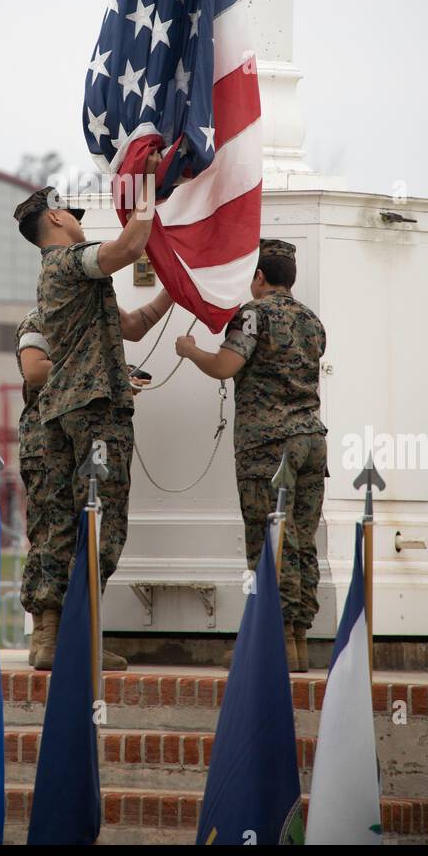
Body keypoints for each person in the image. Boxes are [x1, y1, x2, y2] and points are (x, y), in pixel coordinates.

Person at [13, 154, 172, 670]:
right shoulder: (66, 261)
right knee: (102, 520)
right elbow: (129, 246)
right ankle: (73, 639)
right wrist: (147, 185)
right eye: (74, 213)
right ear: (57, 217)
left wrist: (177, 289)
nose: (80, 220)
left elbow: (132, 327)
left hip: (70, 412)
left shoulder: (66, 276)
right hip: (95, 411)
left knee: (64, 523)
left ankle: (51, 640)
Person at [175, 238, 328, 672]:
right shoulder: (312, 321)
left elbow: (225, 366)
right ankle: (296, 639)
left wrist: (190, 352)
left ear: (259, 276)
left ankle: (274, 642)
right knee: (299, 540)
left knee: (269, 541)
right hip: (312, 440)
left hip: (268, 446)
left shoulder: (252, 315)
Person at [13, 308, 52, 666]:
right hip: (45, 445)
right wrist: (95, 371)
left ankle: (51, 638)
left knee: (58, 536)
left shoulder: (89, 312)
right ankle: (46, 636)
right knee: (50, 535)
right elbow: (35, 370)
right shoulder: (39, 319)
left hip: (70, 445)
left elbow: (136, 324)